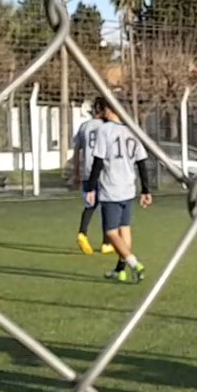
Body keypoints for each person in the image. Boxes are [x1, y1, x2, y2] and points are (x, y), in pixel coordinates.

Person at [85, 98, 150, 283]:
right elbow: (141, 162)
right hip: (128, 188)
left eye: (105, 108)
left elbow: (98, 161)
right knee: (125, 228)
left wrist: (91, 187)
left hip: (111, 188)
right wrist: (146, 190)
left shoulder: (105, 130)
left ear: (110, 109)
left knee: (111, 232)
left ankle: (134, 264)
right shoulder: (133, 130)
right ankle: (120, 270)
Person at [70, 97, 114, 256]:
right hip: (103, 172)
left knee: (90, 205)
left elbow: (77, 151)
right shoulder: (107, 127)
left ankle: (82, 233)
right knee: (107, 206)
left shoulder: (84, 126)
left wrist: (76, 173)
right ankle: (106, 243)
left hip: (87, 172)